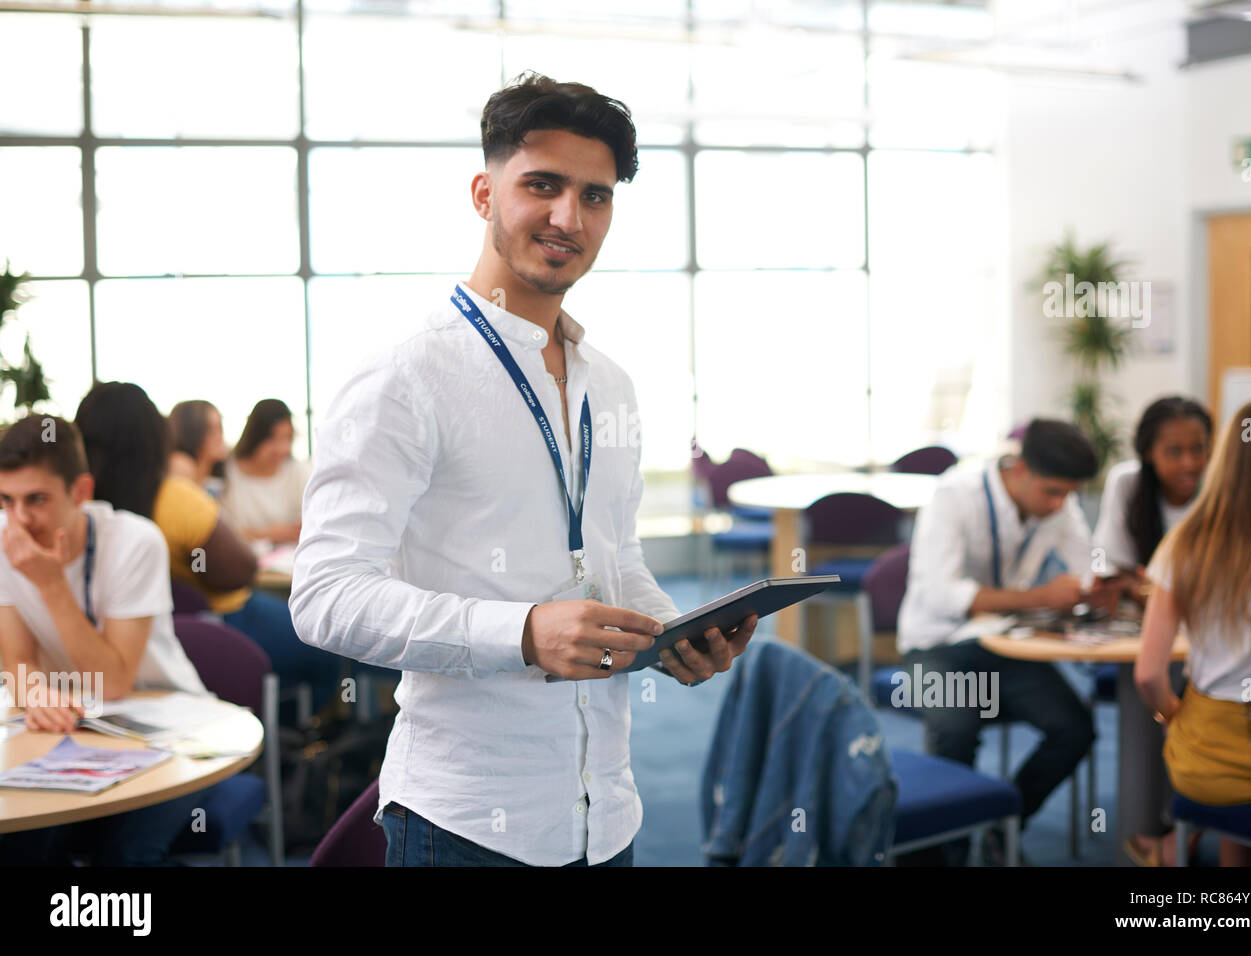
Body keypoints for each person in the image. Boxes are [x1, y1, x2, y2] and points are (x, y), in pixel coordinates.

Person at [290, 72, 758, 868]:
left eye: (595, 195)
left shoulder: (609, 384)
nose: (568, 217)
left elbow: (618, 554)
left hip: (606, 811)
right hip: (463, 820)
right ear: (483, 192)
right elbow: (325, 597)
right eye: (541, 185)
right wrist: (521, 633)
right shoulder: (403, 377)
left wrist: (670, 634)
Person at [0, 415, 209, 866]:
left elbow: (112, 681)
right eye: (6, 500)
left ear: (80, 492)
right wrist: (37, 695)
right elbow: (17, 661)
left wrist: (51, 585)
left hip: (167, 728)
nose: (19, 520)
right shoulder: (4, 540)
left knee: (127, 854)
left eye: (36, 499)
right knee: (19, 843)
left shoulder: (135, 541)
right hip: (72, 731)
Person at [74, 382, 343, 723]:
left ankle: (274, 727)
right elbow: (240, 571)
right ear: (155, 436)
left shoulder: (81, 505)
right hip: (224, 618)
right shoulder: (174, 497)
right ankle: (296, 737)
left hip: (143, 637)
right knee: (325, 645)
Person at [897, 418, 1101, 864]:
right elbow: (941, 594)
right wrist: (1039, 598)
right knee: (957, 727)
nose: (1061, 503)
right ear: (1019, 469)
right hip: (936, 644)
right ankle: (940, 854)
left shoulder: (1056, 503)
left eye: (1069, 494)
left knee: (1075, 729)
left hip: (1004, 644)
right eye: (1053, 492)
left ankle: (1004, 823)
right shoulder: (956, 494)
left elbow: (1088, 565)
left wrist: (1102, 585)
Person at [1135, 397, 1251, 867]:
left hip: (1203, 766)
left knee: (1225, 781)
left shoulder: (1185, 544)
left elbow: (1148, 675)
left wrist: (1173, 718)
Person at [1092, 397, 1211, 612]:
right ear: (1148, 452)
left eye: (1198, 449)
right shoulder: (1126, 483)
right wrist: (1132, 586)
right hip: (1144, 614)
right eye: (1174, 451)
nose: (1189, 463)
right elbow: (1105, 558)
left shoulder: (1218, 489)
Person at [222, 399, 310, 546]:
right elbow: (222, 534)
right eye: (273, 439)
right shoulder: (227, 474)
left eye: (287, 438)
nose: (281, 448)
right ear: (255, 437)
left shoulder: (298, 472)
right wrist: (267, 534)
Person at [168, 399, 227, 495]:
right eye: (211, 430)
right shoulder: (180, 464)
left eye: (220, 427)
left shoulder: (211, 474)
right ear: (192, 432)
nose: (219, 437)